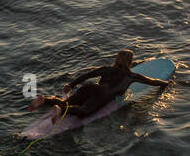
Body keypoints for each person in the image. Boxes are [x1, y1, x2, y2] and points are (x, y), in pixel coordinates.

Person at [27, 50, 171, 124]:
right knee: (85, 111)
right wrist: (167, 84)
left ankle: (46, 100)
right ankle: (61, 110)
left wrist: (71, 84)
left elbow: (88, 75)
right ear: (130, 61)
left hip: (91, 87)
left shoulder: (106, 69)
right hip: (103, 94)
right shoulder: (131, 76)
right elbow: (152, 81)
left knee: (67, 101)